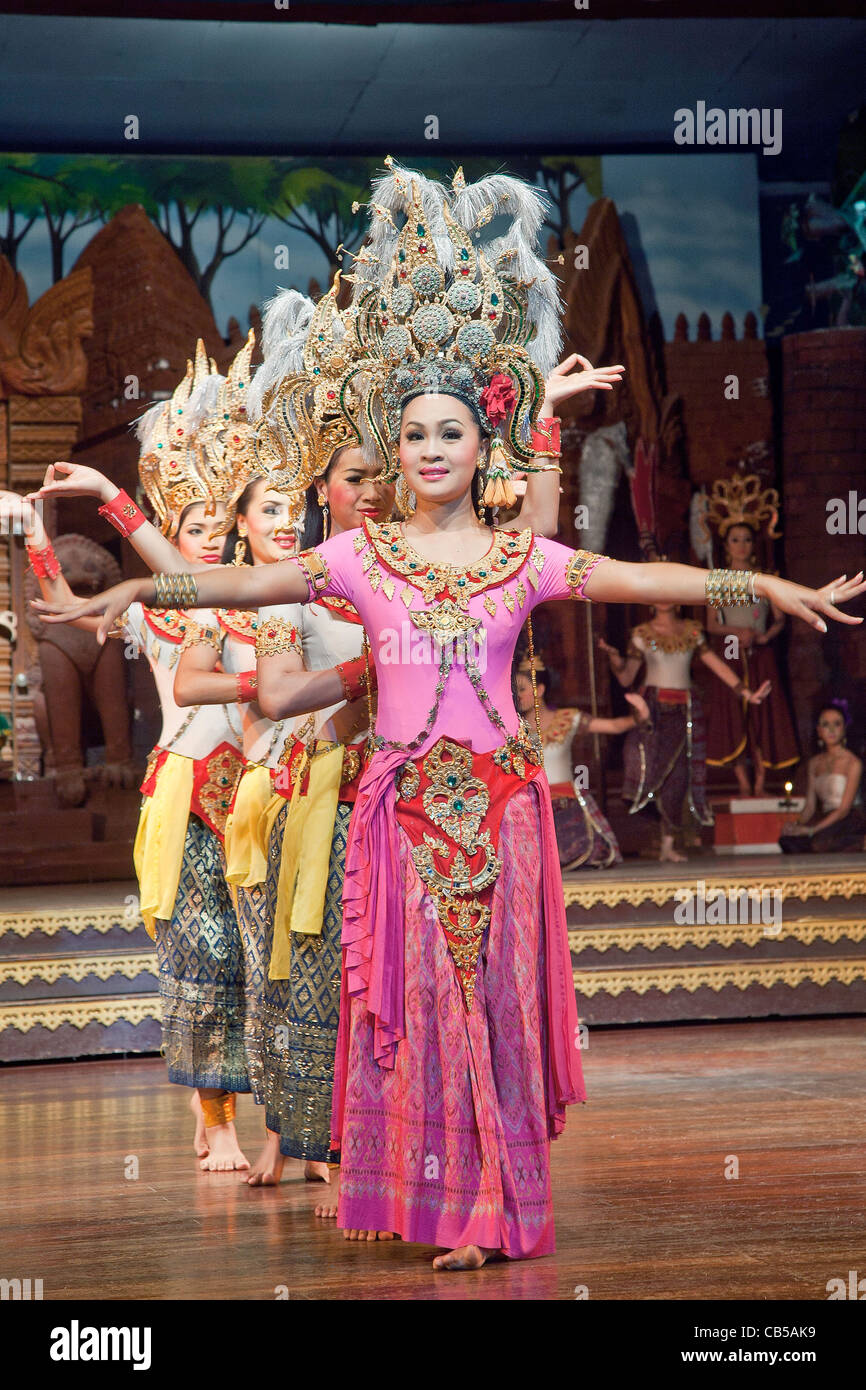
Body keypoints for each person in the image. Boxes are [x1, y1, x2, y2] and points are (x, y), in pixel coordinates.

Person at [35, 160, 865, 1271]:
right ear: (397, 444)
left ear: (484, 447)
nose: (429, 450)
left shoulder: (524, 557)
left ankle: (498, 1206)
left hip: (502, 809)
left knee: (491, 1010)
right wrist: (133, 591)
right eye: (414, 434)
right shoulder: (355, 555)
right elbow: (230, 587)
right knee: (421, 1017)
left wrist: (766, 590)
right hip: (398, 815)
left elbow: (644, 575)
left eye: (450, 434)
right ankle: (445, 1200)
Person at [24, 344, 252, 1169]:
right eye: (196, 531)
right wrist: (36, 527)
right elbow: (58, 607)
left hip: (262, 791)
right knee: (204, 952)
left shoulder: (264, 605)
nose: (212, 545)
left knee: (267, 956)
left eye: (222, 533)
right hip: (187, 791)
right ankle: (214, 1114)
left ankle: (291, 1128)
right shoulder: (160, 614)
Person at [601, 600, 772, 863]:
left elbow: (716, 664)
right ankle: (657, 833)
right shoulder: (641, 633)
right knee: (644, 768)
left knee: (679, 777)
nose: (664, 597)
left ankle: (668, 843)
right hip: (652, 710)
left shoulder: (692, 631)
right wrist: (614, 659)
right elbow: (626, 678)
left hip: (686, 710)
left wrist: (746, 692)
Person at [701, 475, 799, 795]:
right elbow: (713, 624)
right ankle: (742, 784)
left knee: (761, 714)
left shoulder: (765, 579)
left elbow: (780, 620)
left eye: (746, 539)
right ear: (726, 544)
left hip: (759, 652)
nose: (741, 545)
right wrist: (738, 632)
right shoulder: (718, 579)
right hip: (729, 651)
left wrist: (763, 636)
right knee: (733, 713)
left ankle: (760, 783)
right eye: (735, 539)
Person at [514, 655, 649, 868]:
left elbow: (613, 727)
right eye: (514, 691)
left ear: (539, 690)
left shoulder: (567, 718)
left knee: (583, 853)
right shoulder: (511, 727)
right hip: (529, 805)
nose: (517, 696)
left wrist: (639, 716)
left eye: (521, 689)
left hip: (566, 804)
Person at [779, 701, 864, 853]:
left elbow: (843, 809)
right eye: (826, 724)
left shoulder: (853, 762)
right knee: (787, 841)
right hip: (825, 818)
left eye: (836, 724)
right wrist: (797, 825)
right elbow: (810, 806)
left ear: (844, 729)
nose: (831, 729)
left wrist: (811, 830)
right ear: (819, 731)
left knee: (821, 842)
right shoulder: (814, 763)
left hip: (847, 819)